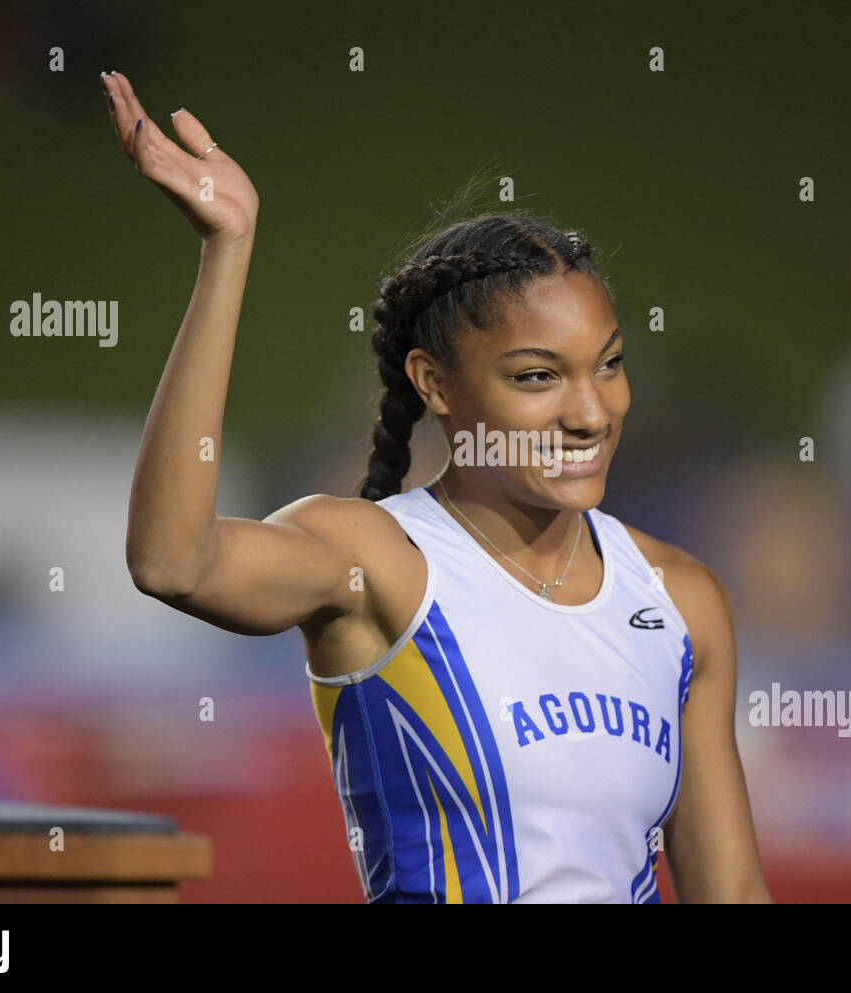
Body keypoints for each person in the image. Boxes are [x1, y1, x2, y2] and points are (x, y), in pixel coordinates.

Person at [105, 70, 771, 904]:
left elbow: (735, 891)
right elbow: (173, 561)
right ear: (436, 383)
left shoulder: (682, 599)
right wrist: (226, 250)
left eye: (608, 365)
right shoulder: (378, 559)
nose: (590, 412)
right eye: (537, 377)